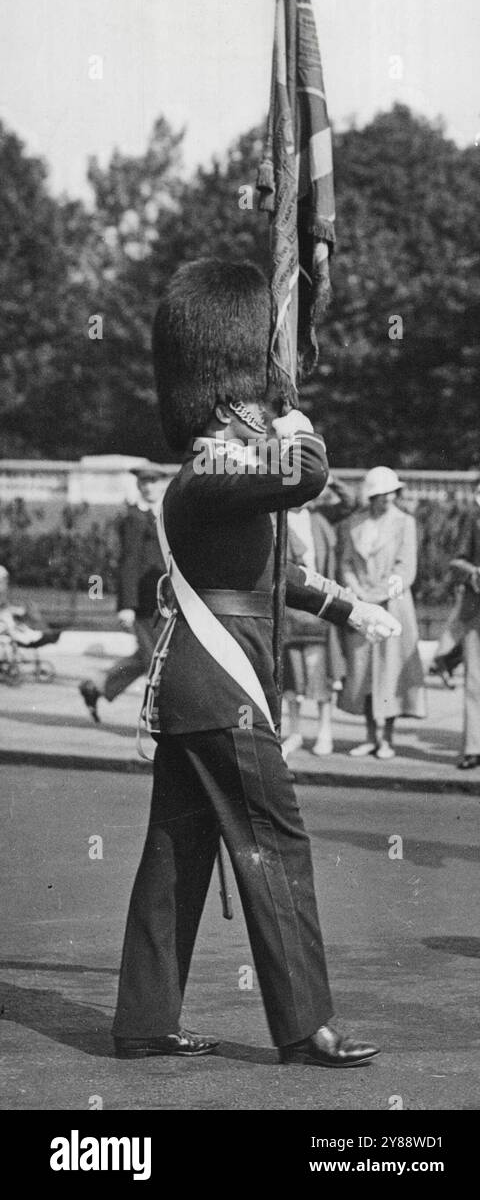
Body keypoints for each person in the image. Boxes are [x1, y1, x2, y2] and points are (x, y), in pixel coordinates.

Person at [112, 258, 401, 1070]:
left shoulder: (219, 474)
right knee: (277, 839)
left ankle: (143, 1020)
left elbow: (274, 577)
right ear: (229, 397)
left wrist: (352, 607)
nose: (259, 416)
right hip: (223, 682)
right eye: (250, 404)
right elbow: (309, 473)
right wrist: (295, 416)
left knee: (178, 851)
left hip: (202, 685)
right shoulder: (209, 468)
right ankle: (307, 1026)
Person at [338, 466, 425, 759]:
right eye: (380, 494)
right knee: (362, 671)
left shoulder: (405, 523)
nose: (387, 499)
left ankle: (387, 739)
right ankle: (369, 736)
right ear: (371, 496)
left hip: (394, 606)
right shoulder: (354, 523)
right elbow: (347, 564)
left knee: (390, 674)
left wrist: (378, 595)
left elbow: (406, 569)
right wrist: (360, 596)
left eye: (391, 493)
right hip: (362, 608)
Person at [79, 463, 170, 725]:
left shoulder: (163, 513)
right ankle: (157, 715)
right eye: (144, 482)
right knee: (156, 657)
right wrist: (127, 605)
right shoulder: (134, 517)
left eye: (153, 482)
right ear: (139, 486)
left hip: (165, 597)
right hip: (142, 600)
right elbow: (129, 562)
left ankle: (97, 686)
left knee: (150, 655)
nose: (149, 486)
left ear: (161, 484)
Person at [283, 477, 356, 758]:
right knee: (292, 675)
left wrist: (331, 480)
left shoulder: (320, 517)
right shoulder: (275, 518)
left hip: (321, 606)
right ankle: (295, 732)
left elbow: (349, 502)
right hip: (290, 607)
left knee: (322, 673)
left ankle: (325, 731)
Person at [450, 463, 480, 770]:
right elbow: (456, 562)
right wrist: (475, 574)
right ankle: (474, 748)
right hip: (479, 608)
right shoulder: (476, 519)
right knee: (474, 681)